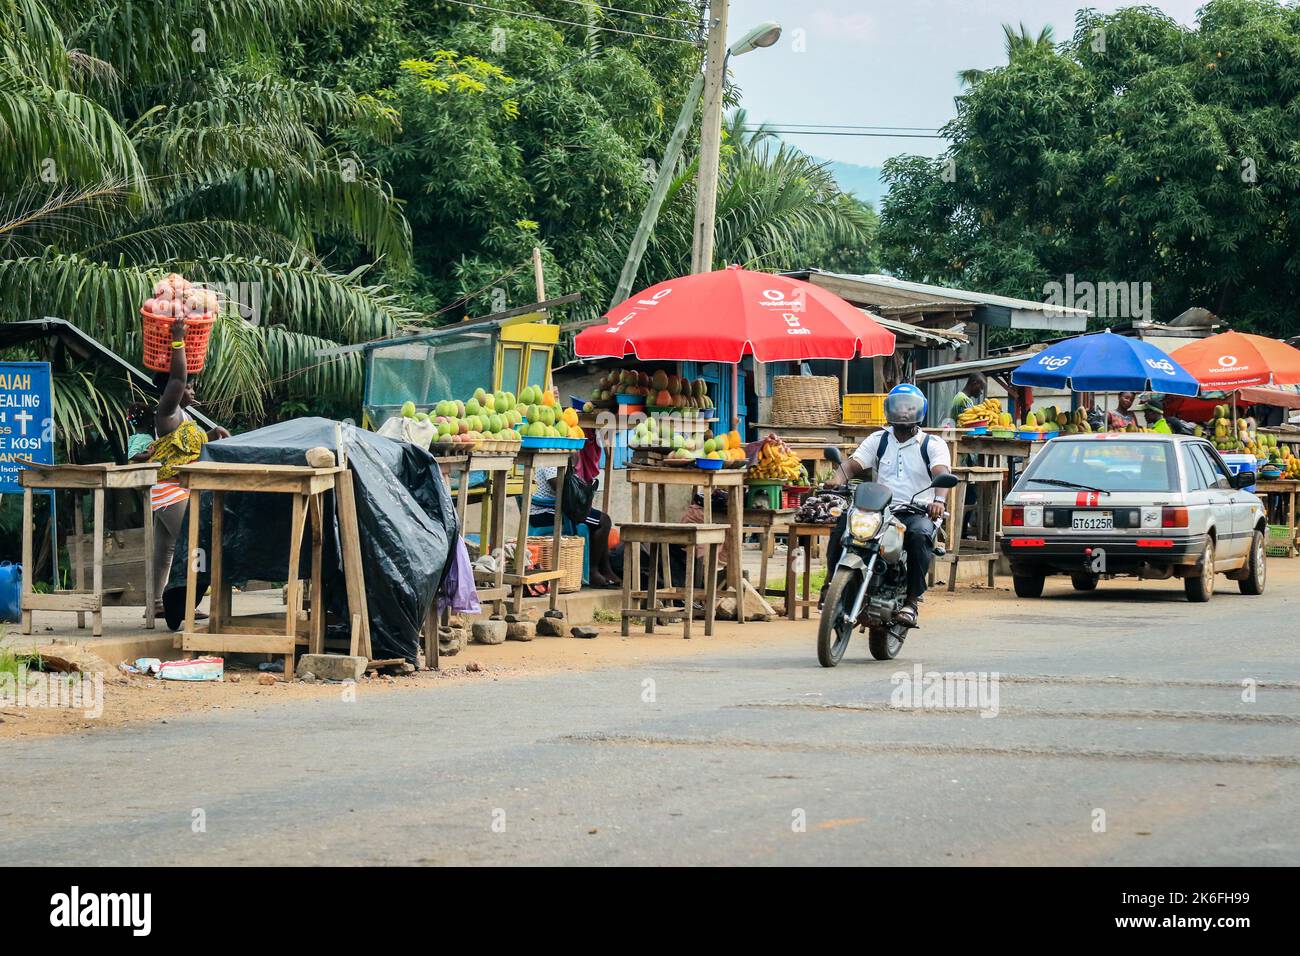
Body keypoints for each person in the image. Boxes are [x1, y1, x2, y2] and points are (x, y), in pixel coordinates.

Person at [825, 383, 953, 628]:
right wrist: (836, 480)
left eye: (909, 407)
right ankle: (831, 585)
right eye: (898, 406)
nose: (903, 412)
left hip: (916, 511)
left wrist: (938, 500)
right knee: (843, 526)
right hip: (878, 510)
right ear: (888, 410)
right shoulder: (878, 439)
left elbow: (941, 471)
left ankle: (912, 602)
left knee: (920, 535)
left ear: (919, 411)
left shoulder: (932, 444)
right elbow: (852, 465)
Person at [148, 313, 229, 620]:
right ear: (172, 391)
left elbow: (184, 446)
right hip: (172, 492)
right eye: (189, 387)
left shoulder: (185, 417)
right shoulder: (165, 412)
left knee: (165, 551)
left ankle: (157, 602)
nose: (192, 390)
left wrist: (211, 435)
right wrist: (178, 338)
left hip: (171, 492)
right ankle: (186, 603)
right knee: (198, 543)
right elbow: (178, 378)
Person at [528, 462, 619, 588]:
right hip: (547, 511)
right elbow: (561, 489)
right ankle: (593, 571)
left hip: (559, 508)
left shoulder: (561, 457)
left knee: (602, 520)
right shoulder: (550, 461)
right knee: (603, 522)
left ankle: (604, 569)